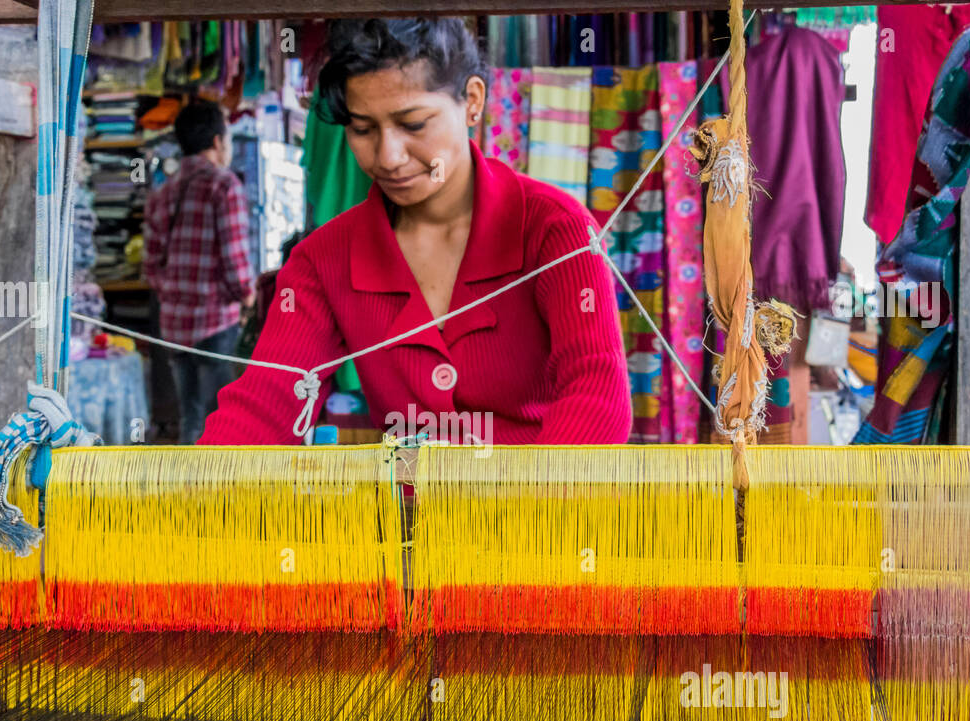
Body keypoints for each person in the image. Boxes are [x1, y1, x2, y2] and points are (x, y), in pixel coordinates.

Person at [198, 17, 630, 446]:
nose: (388, 156)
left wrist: (523, 509)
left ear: (472, 101)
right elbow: (266, 403)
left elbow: (596, 392)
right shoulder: (322, 260)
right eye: (362, 129)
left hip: (543, 506)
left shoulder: (554, 230)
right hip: (409, 510)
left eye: (413, 124)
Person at [144, 99, 256, 444]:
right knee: (222, 419)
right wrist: (248, 297)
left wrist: (176, 295)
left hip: (175, 324)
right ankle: (219, 495)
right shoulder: (224, 186)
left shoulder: (163, 193)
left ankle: (185, 492)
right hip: (216, 322)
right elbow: (236, 263)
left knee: (190, 418)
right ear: (218, 142)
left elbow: (151, 267)